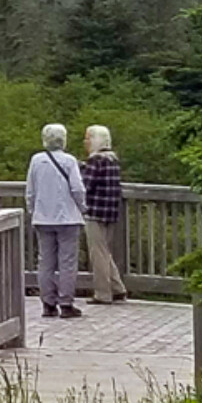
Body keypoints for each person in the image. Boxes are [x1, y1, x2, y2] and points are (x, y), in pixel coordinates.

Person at [26, 122, 88, 319]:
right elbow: (77, 188)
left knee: (45, 262)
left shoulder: (36, 160)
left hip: (43, 218)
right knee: (67, 262)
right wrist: (82, 207)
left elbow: (30, 190)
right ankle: (66, 302)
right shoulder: (69, 161)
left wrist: (33, 210)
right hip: (68, 218)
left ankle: (48, 303)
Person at [81, 125, 130, 304]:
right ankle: (118, 288)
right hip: (111, 211)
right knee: (104, 251)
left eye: (88, 138)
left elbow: (86, 186)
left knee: (97, 253)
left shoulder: (96, 160)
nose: (85, 142)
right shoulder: (112, 159)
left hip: (95, 211)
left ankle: (103, 293)